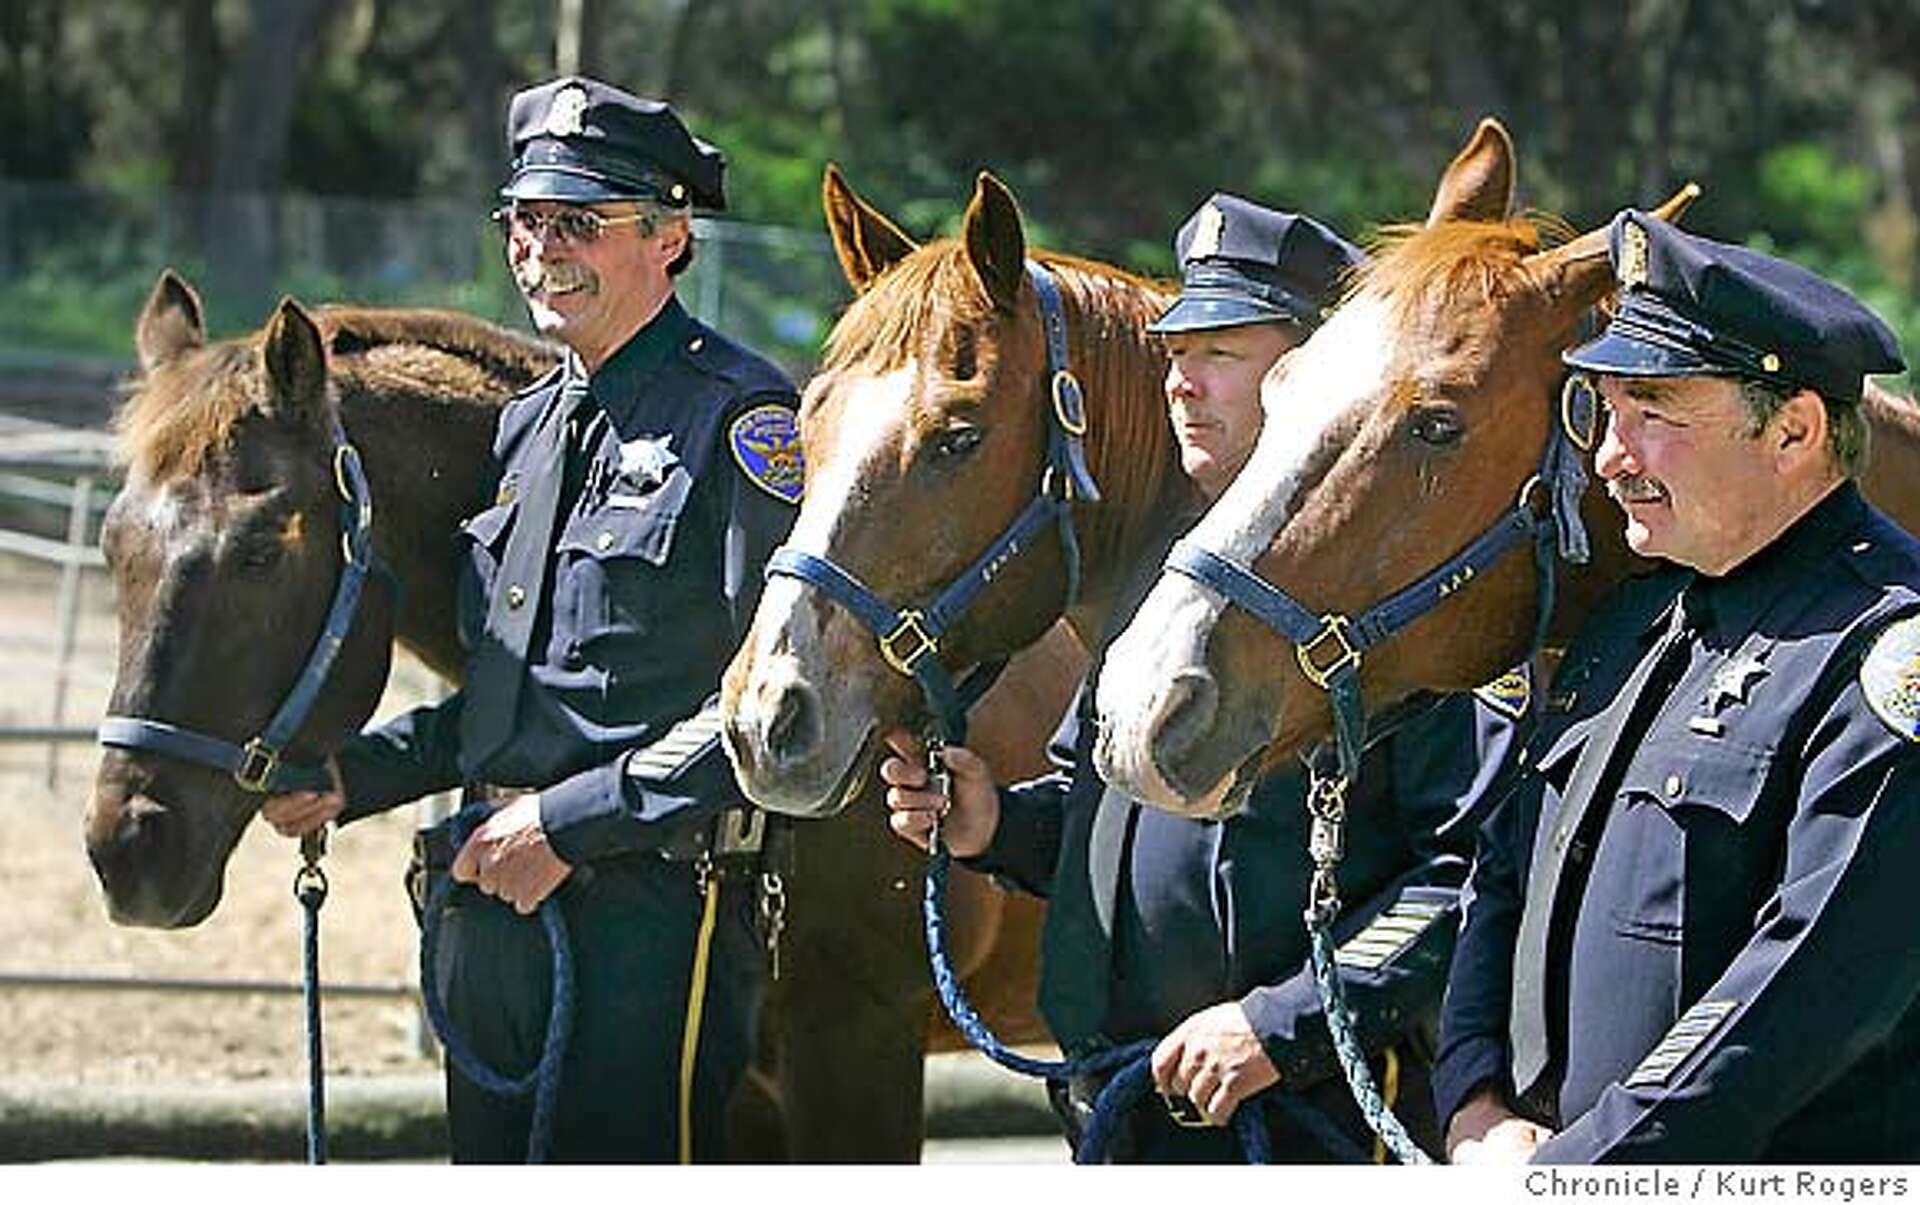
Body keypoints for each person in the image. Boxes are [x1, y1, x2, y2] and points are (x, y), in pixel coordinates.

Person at [883, 195, 1522, 1162]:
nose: (1182, 382)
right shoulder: (1170, 569)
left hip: (1310, 1117)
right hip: (1122, 1107)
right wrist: (995, 824)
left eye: (1222, 352)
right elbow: (1107, 815)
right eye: (1176, 351)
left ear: (1313, 368)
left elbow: (1463, 878)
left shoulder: (1396, 584)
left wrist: (1282, 1023)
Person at [260, 76, 801, 1163]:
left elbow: (771, 715)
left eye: (580, 223)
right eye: (525, 219)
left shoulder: (742, 419)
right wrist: (353, 779)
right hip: (488, 908)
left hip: (653, 910)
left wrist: (570, 823)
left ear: (669, 237)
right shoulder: (525, 430)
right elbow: (512, 703)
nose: (542, 249)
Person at [1435, 211, 1920, 1163]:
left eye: (1654, 413)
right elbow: (1504, 874)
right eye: (1607, 412)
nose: (1610, 457)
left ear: (1793, 430)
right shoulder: (1630, 623)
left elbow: (1803, 989)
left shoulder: (1888, 655)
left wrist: (1572, 1172)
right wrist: (1474, 1099)